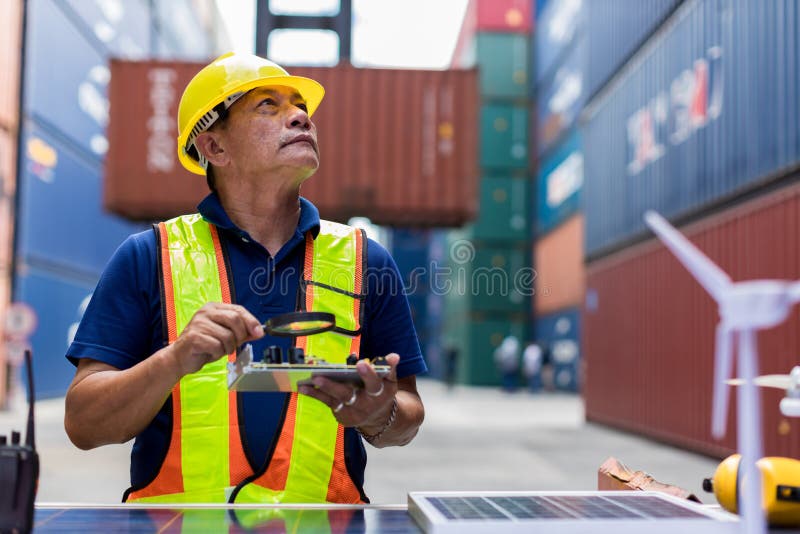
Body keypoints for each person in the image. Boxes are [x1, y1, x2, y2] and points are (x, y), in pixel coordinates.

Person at [63, 53, 426, 504]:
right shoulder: (148, 256)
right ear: (215, 148)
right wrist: (173, 360)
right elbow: (84, 425)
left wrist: (379, 415)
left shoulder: (367, 261)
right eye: (268, 106)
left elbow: (408, 413)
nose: (300, 117)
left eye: (300, 107)